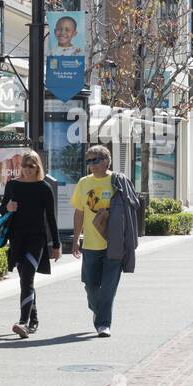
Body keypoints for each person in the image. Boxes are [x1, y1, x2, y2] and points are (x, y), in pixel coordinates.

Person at [71, 144, 137, 338]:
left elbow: (132, 208)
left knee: (108, 287)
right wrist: (76, 239)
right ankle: (97, 310)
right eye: (89, 161)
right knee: (90, 285)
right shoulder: (83, 183)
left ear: (107, 161)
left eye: (95, 160)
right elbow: (79, 212)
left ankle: (103, 323)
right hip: (91, 244)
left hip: (113, 245)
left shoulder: (117, 181)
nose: (91, 164)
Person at [0, 150, 60, 339]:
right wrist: (7, 207)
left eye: (31, 166)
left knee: (27, 279)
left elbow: (51, 217)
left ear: (37, 167)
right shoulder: (13, 185)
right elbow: (3, 209)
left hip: (37, 239)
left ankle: (23, 322)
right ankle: (33, 321)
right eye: (24, 165)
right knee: (26, 281)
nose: (27, 169)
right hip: (17, 239)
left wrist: (56, 245)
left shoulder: (44, 188)